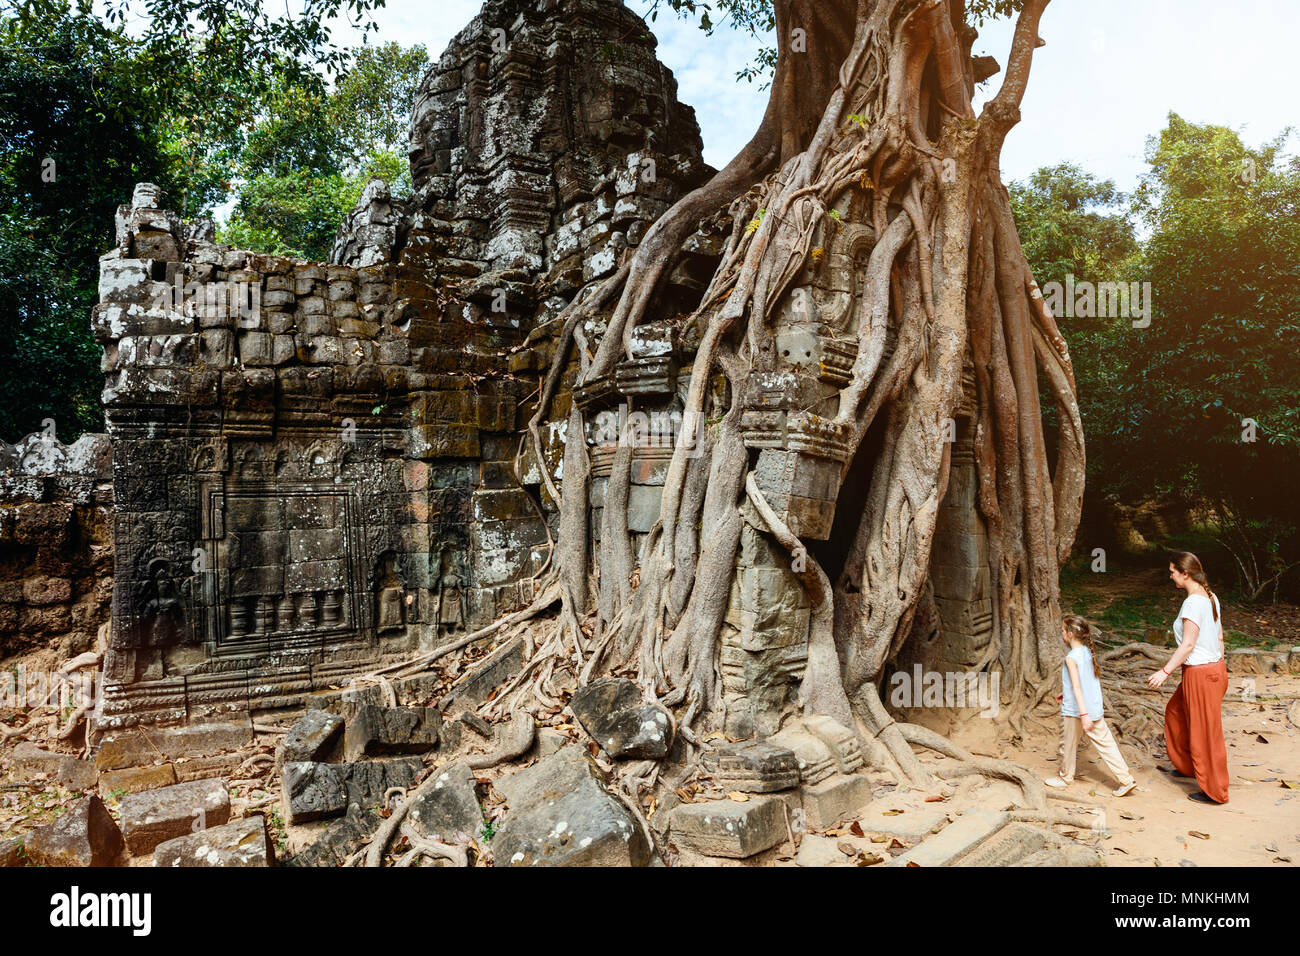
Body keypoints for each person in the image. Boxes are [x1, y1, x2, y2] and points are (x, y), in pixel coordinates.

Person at [1147, 552, 1229, 804]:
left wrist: (1164, 671)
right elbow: (1220, 638)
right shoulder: (1210, 596)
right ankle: (1189, 767)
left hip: (1202, 674)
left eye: (1172, 571)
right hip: (1212, 670)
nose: (1170, 575)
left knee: (1206, 733)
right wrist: (1216, 664)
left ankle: (1215, 791)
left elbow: (1188, 645)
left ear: (1185, 573)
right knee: (1175, 713)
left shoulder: (1194, 602)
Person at [1045, 614, 1137, 796]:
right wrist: (1067, 694)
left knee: (1068, 745)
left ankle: (1066, 777)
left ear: (1070, 634)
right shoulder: (1087, 652)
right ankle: (1126, 779)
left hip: (1076, 711)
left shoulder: (1071, 657)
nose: (1061, 633)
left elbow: (1078, 687)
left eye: (1063, 630)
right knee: (1107, 744)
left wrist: (1083, 715)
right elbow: (1083, 682)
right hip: (1093, 707)